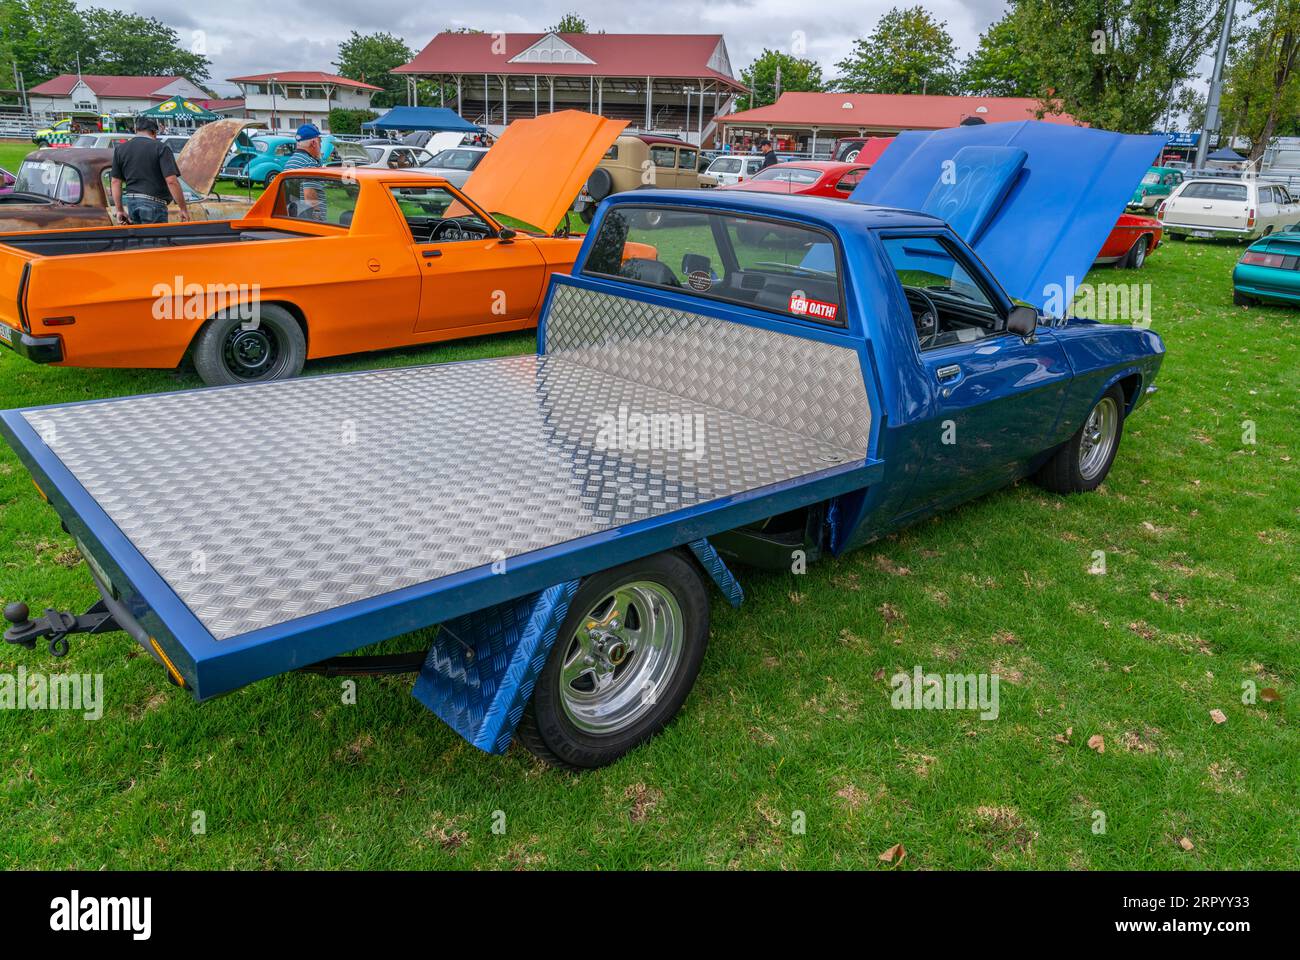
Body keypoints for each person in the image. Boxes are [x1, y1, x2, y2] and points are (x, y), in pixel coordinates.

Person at [110, 116, 190, 225]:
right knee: (156, 240)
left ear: (136, 130)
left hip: (132, 202)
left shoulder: (120, 149)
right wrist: (183, 208)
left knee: (140, 241)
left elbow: (115, 182)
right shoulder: (161, 148)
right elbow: (171, 181)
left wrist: (119, 210)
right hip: (154, 204)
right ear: (154, 132)